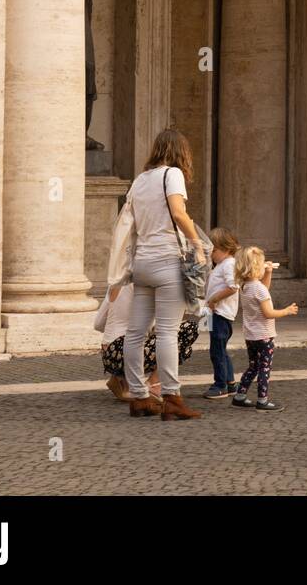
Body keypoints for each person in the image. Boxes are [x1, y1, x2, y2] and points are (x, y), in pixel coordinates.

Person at [124, 128, 207, 421]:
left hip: (142, 264)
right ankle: (171, 397)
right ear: (180, 152)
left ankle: (138, 397)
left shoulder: (140, 180)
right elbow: (178, 212)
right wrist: (196, 243)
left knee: (135, 333)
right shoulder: (171, 174)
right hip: (167, 260)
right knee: (168, 332)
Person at [99, 283, 200, 400]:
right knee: (185, 332)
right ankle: (153, 383)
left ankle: (119, 378)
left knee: (134, 340)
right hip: (124, 352)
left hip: (108, 353)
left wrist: (112, 334)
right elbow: (156, 326)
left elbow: (98, 323)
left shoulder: (114, 284)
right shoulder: (143, 283)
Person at [232, 246, 298, 411]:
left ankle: (240, 395)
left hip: (251, 335)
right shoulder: (258, 289)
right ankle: (262, 400)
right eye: (262, 264)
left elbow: (263, 289)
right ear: (255, 267)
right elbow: (268, 313)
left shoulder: (246, 286)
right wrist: (287, 311)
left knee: (253, 366)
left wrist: (268, 272)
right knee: (264, 368)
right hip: (264, 336)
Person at [202, 227, 241, 400]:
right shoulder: (221, 265)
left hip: (221, 313)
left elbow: (233, 287)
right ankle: (230, 382)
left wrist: (214, 300)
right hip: (216, 313)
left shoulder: (229, 264)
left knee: (216, 350)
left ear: (225, 249)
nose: (211, 254)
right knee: (221, 349)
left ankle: (220, 385)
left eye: (213, 250)